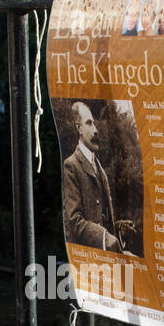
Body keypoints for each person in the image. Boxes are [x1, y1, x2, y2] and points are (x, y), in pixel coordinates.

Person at [62, 101, 134, 253]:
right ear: (78, 128)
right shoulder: (71, 166)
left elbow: (102, 216)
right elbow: (74, 221)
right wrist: (104, 238)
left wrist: (119, 227)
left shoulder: (99, 169)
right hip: (87, 261)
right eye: (89, 123)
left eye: (94, 123)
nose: (96, 130)